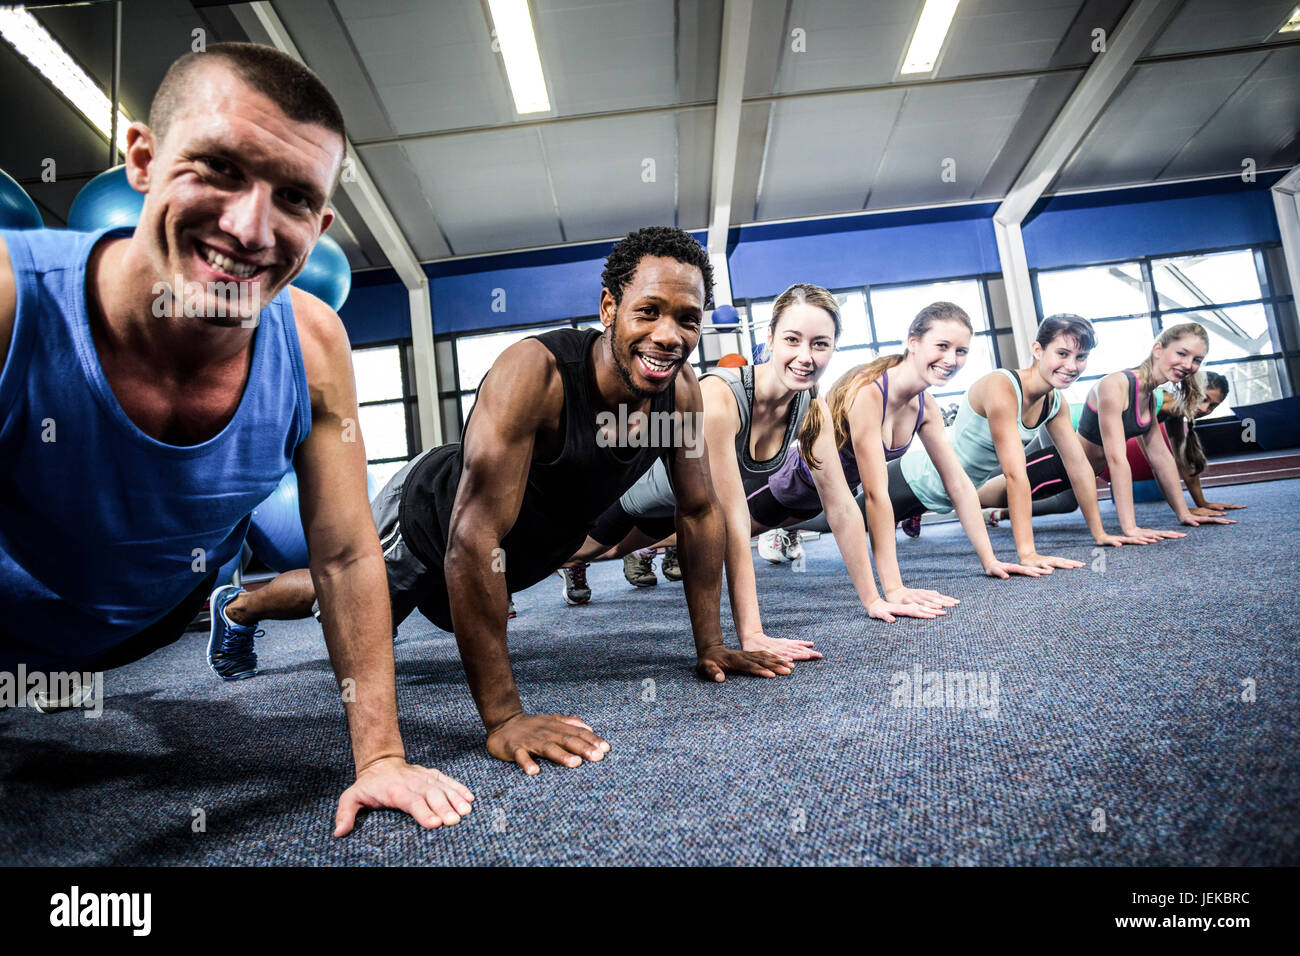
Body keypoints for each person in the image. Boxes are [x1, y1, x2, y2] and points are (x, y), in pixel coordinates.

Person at [0, 43, 472, 835]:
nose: (250, 227)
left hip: (154, 617)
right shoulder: (15, 299)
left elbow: (349, 555)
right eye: (218, 168)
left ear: (319, 225)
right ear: (142, 161)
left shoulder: (314, 343)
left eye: (292, 198)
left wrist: (382, 757)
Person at [217, 226, 792, 775]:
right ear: (608, 308)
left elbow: (697, 511)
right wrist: (505, 718)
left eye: (687, 320)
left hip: (512, 550)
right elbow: (473, 540)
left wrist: (713, 645)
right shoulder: (537, 376)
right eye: (649, 311)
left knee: (407, 611)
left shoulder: (680, 396)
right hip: (432, 518)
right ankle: (238, 607)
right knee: (354, 603)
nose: (669, 336)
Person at [568, 285, 939, 661]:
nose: (805, 357)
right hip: (635, 494)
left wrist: (878, 597)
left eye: (820, 344)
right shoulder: (721, 398)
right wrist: (753, 635)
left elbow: (842, 506)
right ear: (770, 338)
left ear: (833, 348)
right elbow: (734, 521)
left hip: (685, 507)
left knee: (614, 553)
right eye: (792, 340)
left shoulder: (812, 406)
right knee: (579, 552)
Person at [796, 302, 1043, 594]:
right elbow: (876, 496)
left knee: (839, 517)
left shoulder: (926, 408)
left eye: (961, 351)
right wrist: (894, 589)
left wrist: (990, 560)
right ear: (913, 342)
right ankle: (780, 532)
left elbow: (959, 485)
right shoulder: (869, 393)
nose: (951, 359)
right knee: (794, 526)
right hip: (789, 492)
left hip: (838, 497)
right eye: (942, 346)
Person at [896, 314, 1143, 568]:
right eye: (1062, 353)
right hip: (914, 481)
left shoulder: (1055, 403)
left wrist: (1100, 534)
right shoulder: (1002, 386)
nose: (1072, 366)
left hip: (960, 493)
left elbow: (1079, 467)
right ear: (1038, 349)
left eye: (1080, 357)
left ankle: (915, 513)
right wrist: (1027, 553)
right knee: (858, 525)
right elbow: (1015, 475)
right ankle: (911, 512)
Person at [978, 323, 1235, 537]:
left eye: (1197, 360)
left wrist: (1185, 513)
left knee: (1055, 502)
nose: (1188, 364)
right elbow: (1116, 459)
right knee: (970, 497)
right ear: (1158, 349)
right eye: (1182, 353)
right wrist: (1130, 528)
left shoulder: (1153, 397)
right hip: (1059, 466)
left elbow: (1162, 458)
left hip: (1080, 474)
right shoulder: (1118, 385)